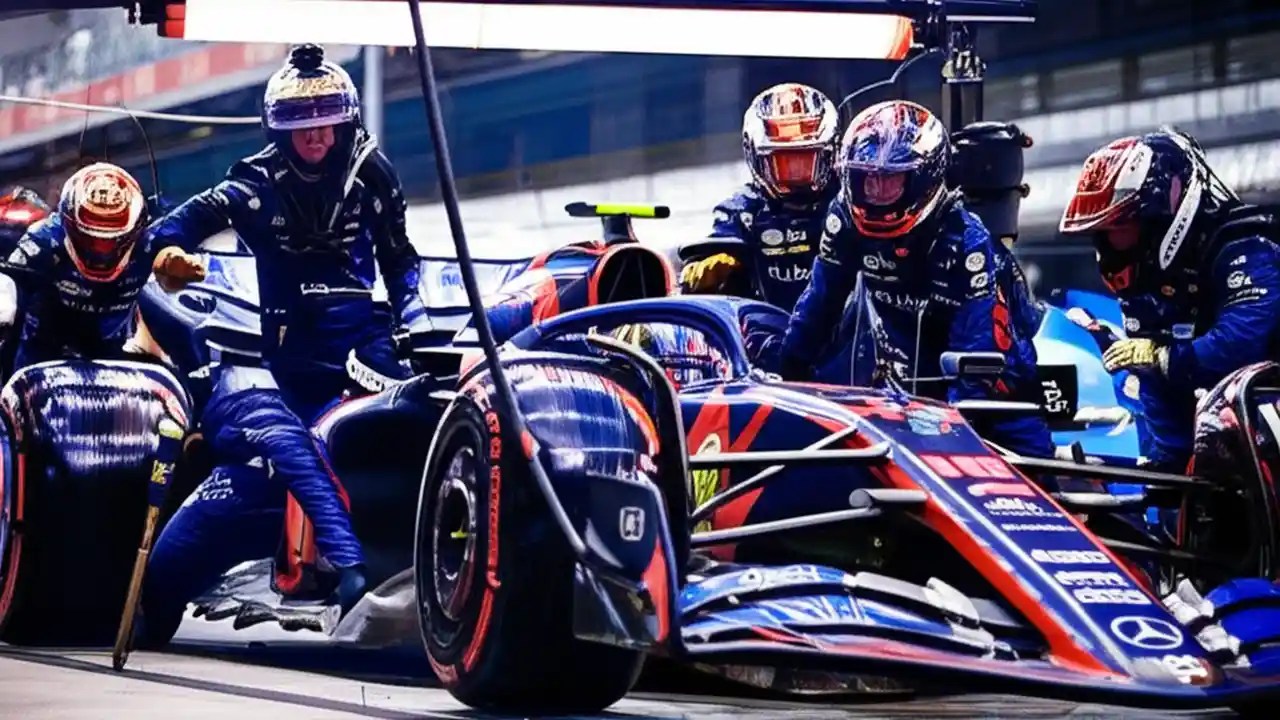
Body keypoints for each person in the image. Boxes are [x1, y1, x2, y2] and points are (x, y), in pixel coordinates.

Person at [142, 44, 424, 630]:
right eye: (302, 125)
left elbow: (400, 260)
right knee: (171, 568)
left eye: (327, 122)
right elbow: (168, 231)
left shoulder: (372, 172)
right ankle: (339, 564)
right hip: (278, 356)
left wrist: (415, 325)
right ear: (279, 129)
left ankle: (392, 564)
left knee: (409, 411)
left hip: (358, 350)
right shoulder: (251, 184)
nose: (316, 136)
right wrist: (168, 253)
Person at [773, 100, 1052, 459]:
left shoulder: (967, 241)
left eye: (890, 181)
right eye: (868, 180)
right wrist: (786, 375)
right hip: (904, 385)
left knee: (1033, 468)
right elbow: (820, 302)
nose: (876, 193)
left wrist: (955, 425)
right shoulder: (843, 217)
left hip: (996, 387)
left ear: (924, 179)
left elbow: (977, 342)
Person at [1058, 128, 1280, 470]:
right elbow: (1159, 384)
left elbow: (1238, 344)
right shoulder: (1148, 280)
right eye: (1102, 234)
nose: (1109, 247)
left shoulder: (1247, 249)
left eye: (1120, 229)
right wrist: (1169, 471)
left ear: (1161, 214)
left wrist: (1161, 357)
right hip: (1218, 447)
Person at [0, 165, 205, 374]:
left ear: (135, 229)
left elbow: (209, 206)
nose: (101, 252)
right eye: (92, 240)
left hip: (110, 358)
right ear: (68, 224)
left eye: (111, 241)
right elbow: (10, 279)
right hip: (40, 361)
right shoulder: (43, 239)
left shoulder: (149, 241)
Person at [680, 82, 840, 313]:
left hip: (850, 326)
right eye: (785, 162)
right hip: (766, 327)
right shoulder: (742, 211)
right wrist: (704, 271)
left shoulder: (850, 201)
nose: (795, 173)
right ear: (757, 157)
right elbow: (697, 268)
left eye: (804, 159)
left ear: (829, 153)